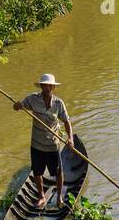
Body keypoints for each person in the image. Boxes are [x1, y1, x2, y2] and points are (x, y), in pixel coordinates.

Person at [13, 73, 74, 209]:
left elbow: (66, 121)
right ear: (41, 86)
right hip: (37, 144)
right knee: (37, 172)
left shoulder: (58, 103)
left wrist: (70, 138)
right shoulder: (33, 99)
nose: (46, 88)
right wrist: (17, 106)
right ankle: (41, 196)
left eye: (49, 86)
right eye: (44, 85)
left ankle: (59, 196)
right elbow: (18, 106)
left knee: (58, 172)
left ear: (53, 87)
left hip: (52, 144)